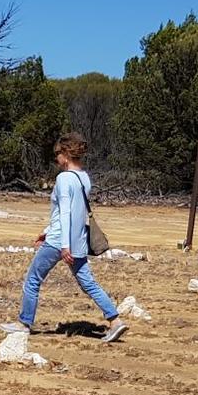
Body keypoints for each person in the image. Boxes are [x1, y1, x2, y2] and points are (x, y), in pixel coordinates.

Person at [17, 132, 126, 343]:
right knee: (88, 283)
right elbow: (73, 213)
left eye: (58, 153)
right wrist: (49, 232)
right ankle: (115, 321)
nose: (56, 158)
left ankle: (24, 324)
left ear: (66, 153)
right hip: (77, 240)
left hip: (60, 241)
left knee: (32, 280)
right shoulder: (84, 178)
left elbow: (65, 212)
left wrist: (62, 245)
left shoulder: (64, 178)